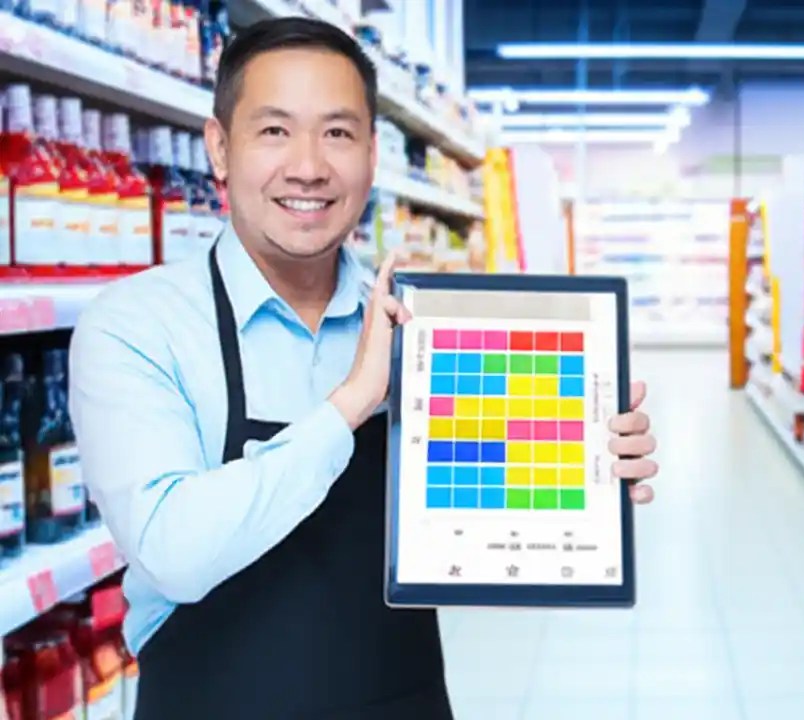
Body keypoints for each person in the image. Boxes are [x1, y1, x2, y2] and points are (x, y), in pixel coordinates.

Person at [67, 16, 658, 719]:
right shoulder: (138, 326)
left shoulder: (436, 328)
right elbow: (173, 553)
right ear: (219, 149)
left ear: (373, 156)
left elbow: (473, 539)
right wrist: (351, 405)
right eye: (275, 130)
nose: (310, 165)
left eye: (338, 133)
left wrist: (577, 474)